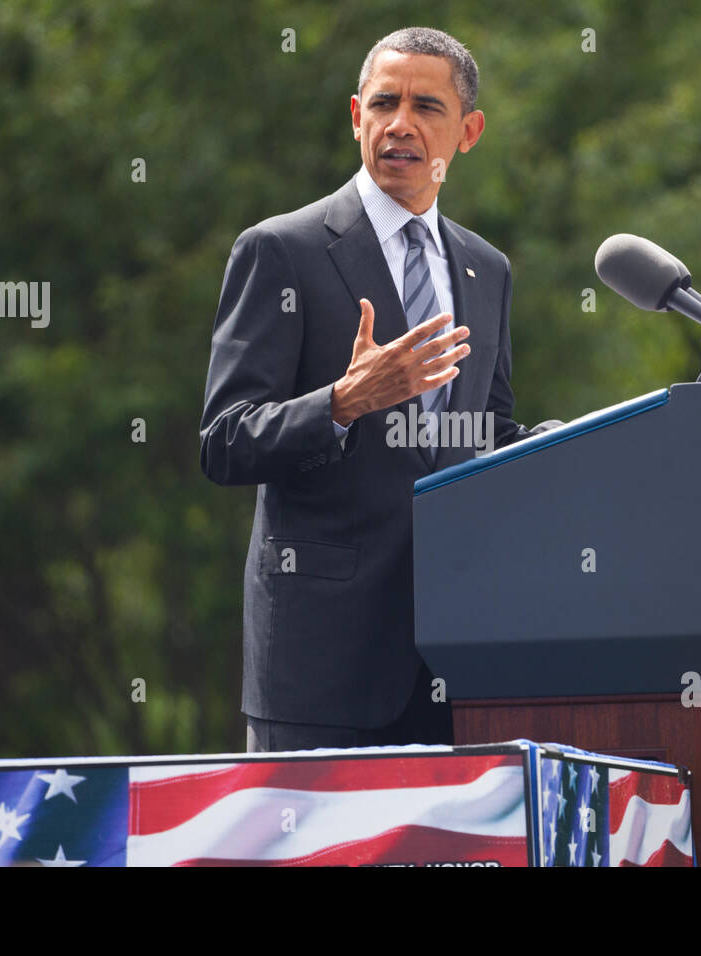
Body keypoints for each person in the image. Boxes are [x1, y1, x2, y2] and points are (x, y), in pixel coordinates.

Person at [199, 27, 563, 752]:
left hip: (457, 661)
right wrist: (343, 402)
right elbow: (225, 441)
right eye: (385, 103)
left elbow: (481, 433)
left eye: (427, 106)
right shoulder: (283, 250)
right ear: (356, 116)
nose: (402, 123)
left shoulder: (486, 270)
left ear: (468, 131)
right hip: (321, 667)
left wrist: (565, 447)